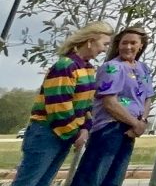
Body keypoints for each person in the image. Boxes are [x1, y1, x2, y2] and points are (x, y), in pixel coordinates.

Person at [13, 21, 113, 186]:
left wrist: (85, 127)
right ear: (90, 41)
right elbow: (58, 105)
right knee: (28, 181)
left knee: (44, 181)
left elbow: (87, 103)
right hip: (46, 132)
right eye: (104, 44)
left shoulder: (88, 69)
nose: (104, 49)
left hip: (65, 133)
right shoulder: (65, 66)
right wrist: (75, 133)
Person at [71, 26, 154, 186]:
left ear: (141, 45)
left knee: (114, 178)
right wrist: (135, 123)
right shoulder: (112, 67)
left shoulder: (143, 68)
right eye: (124, 43)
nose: (128, 47)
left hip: (129, 131)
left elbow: (147, 97)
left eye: (133, 43)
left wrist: (142, 121)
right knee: (92, 177)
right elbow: (110, 103)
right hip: (110, 128)